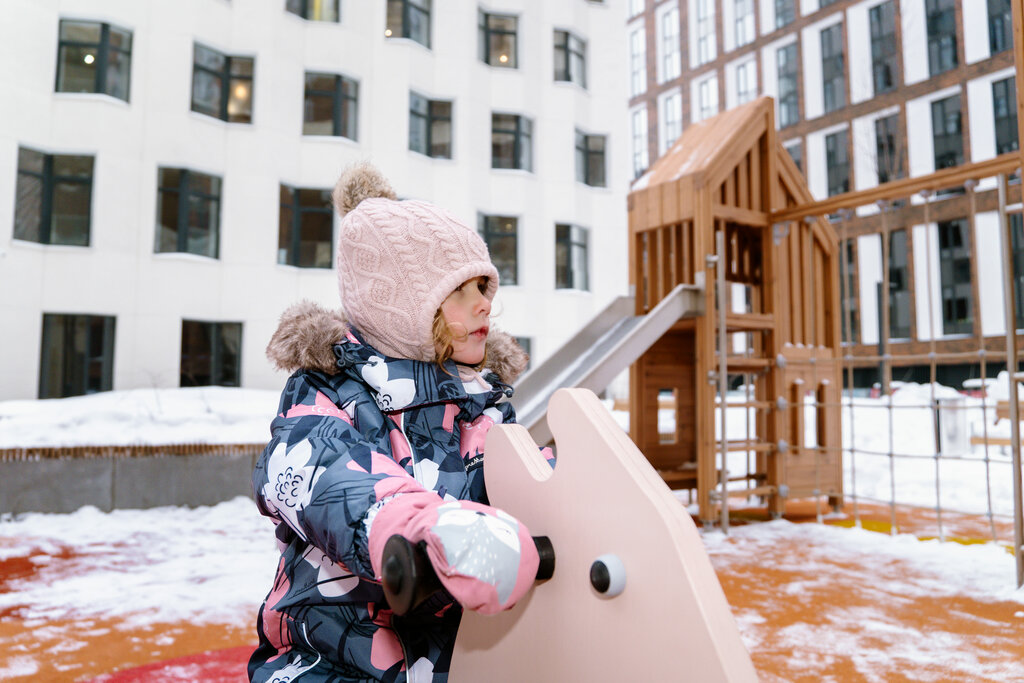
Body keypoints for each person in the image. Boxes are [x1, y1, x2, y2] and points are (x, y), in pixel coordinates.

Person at [248, 163, 540, 682]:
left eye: (485, 285)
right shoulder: (326, 392)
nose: (485, 303)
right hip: (336, 661)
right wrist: (415, 528)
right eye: (462, 290)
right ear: (404, 307)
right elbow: (325, 471)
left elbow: (526, 479)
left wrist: (582, 497)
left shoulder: (482, 405)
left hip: (454, 662)